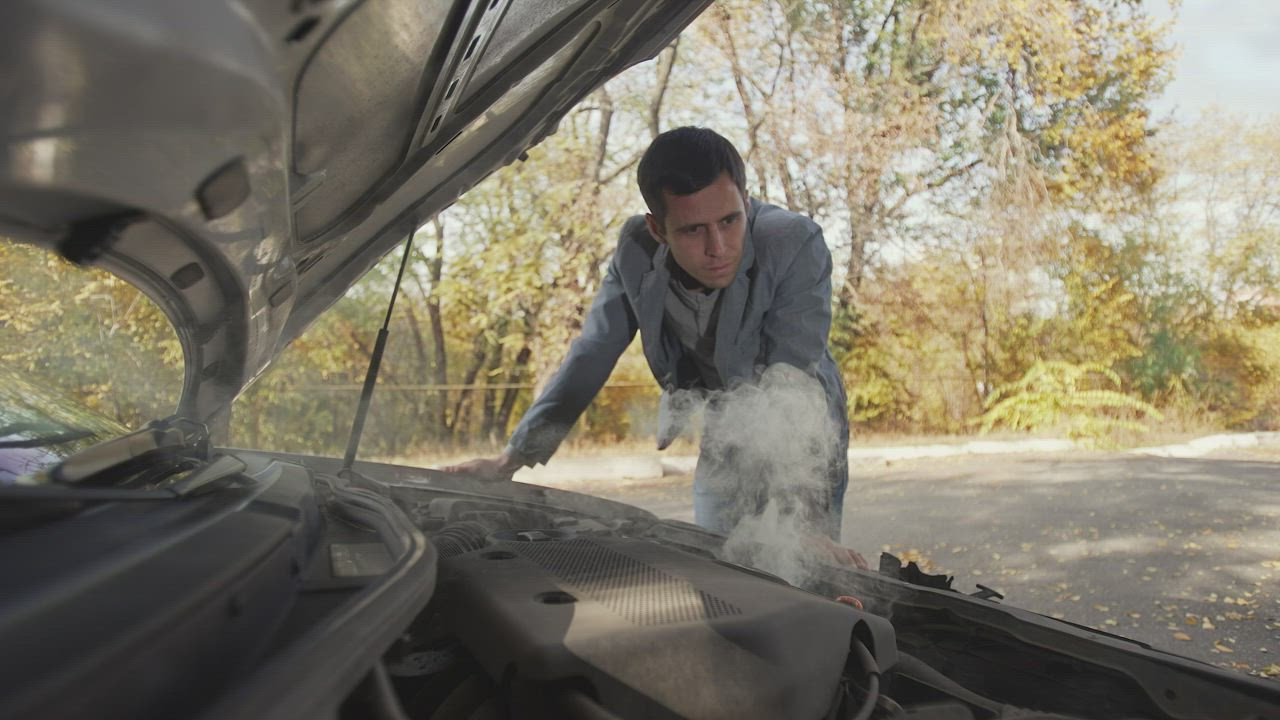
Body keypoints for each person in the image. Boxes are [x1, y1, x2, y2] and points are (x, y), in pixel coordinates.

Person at [443, 127, 865, 568]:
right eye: (692, 230)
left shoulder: (794, 242)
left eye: (730, 220)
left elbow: (789, 380)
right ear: (657, 229)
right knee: (719, 560)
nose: (718, 248)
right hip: (725, 419)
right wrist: (512, 459)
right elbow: (592, 353)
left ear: (745, 197)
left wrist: (801, 524)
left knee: (798, 565)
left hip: (804, 425)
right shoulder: (635, 251)